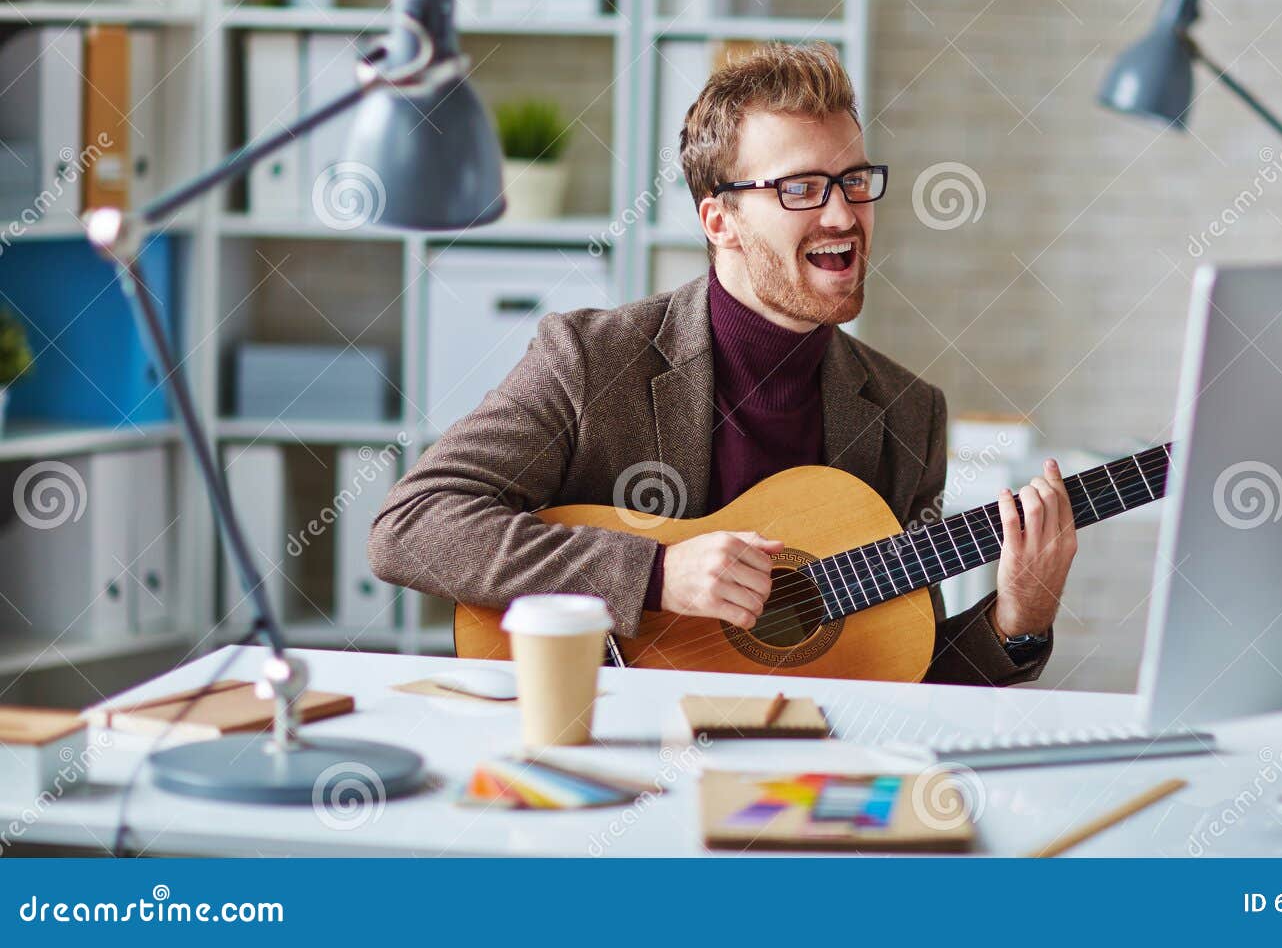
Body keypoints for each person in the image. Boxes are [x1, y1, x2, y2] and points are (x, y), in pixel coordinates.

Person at [369, 42, 1077, 685]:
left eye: (855, 180)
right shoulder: (590, 360)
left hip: (802, 782)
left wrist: (1017, 622)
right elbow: (412, 526)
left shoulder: (907, 413)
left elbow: (898, 669)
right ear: (720, 222)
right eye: (800, 188)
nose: (842, 215)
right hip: (613, 744)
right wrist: (652, 573)